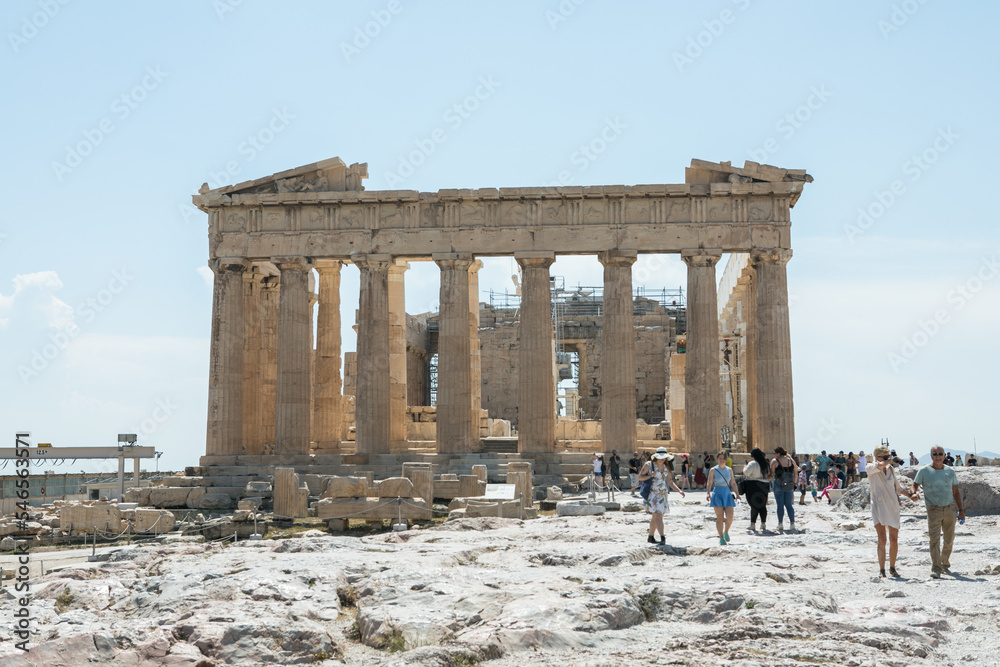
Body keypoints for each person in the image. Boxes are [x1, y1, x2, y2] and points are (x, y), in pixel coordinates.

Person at [911, 446, 966, 578]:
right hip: (933, 509)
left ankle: (944, 563)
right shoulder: (924, 471)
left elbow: (956, 492)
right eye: (935, 454)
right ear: (931, 456)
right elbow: (914, 485)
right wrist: (913, 493)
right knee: (934, 539)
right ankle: (936, 568)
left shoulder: (950, 471)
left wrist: (961, 510)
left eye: (940, 454)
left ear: (944, 456)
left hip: (949, 509)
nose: (938, 456)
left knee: (949, 539)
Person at [869, 444, 919, 578]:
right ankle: (881, 570)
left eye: (888, 456)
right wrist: (889, 460)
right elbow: (879, 466)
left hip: (892, 505)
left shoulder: (890, 469)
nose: (887, 459)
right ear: (877, 457)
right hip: (878, 505)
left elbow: (898, 487)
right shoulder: (870, 467)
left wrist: (910, 496)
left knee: (894, 539)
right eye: (885, 456)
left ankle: (892, 568)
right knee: (882, 538)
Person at [638, 447, 685, 545]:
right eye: (661, 457)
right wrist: (650, 475)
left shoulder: (666, 467)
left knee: (656, 516)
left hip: (662, 494)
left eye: (664, 457)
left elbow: (670, 482)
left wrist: (679, 490)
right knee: (658, 516)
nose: (663, 459)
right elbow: (640, 477)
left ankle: (650, 537)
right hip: (653, 494)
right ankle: (663, 537)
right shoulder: (649, 465)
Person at [707, 451, 741, 545]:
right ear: (717, 459)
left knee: (730, 517)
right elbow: (709, 482)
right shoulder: (713, 470)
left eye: (723, 458)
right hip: (717, 493)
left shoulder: (729, 470)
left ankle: (726, 531)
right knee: (720, 517)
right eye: (720, 458)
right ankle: (721, 537)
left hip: (727, 493)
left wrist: (737, 494)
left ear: (726, 460)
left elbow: (733, 483)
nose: (721, 460)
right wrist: (708, 493)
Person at [769, 447, 798, 532]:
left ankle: (780, 523)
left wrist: (766, 480)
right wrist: (795, 483)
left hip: (778, 484)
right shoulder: (791, 460)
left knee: (780, 505)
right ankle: (792, 523)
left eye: (775, 453)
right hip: (789, 484)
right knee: (789, 505)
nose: (774, 455)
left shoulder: (775, 461)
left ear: (778, 453)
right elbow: (795, 473)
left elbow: (771, 474)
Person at [742, 448, 771, 533]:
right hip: (764, 485)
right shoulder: (766, 464)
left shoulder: (752, 463)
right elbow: (768, 474)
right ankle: (763, 523)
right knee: (762, 505)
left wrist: (745, 466)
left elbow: (745, 473)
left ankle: (753, 524)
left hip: (753, 485)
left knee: (754, 505)